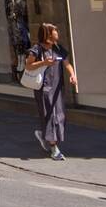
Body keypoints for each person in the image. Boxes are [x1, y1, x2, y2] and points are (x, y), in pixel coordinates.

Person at [26, 23, 77, 161]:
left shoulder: (58, 48)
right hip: (44, 88)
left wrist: (72, 75)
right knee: (49, 116)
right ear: (48, 34)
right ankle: (54, 148)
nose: (57, 34)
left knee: (59, 115)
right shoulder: (37, 50)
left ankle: (45, 136)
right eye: (55, 31)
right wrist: (43, 63)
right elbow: (28, 65)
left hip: (57, 88)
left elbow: (67, 63)